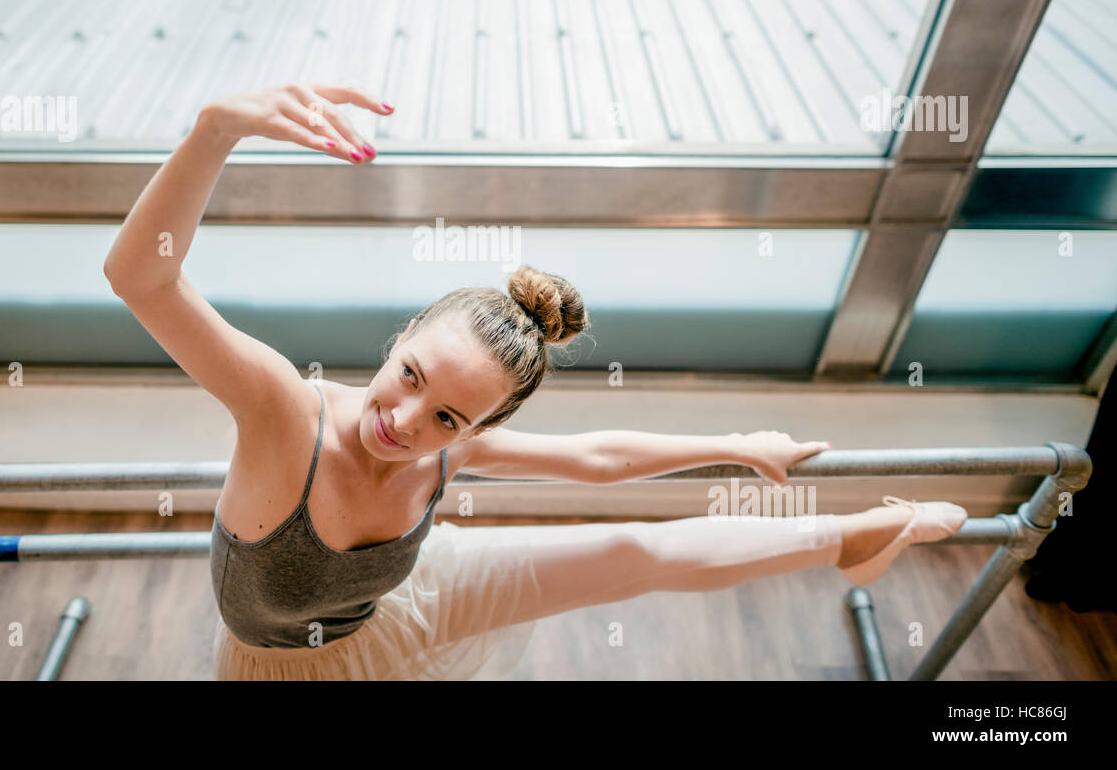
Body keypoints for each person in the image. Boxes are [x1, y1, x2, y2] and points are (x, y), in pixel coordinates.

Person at [103, 82, 968, 680]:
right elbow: (142, 277)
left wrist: (736, 446)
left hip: (407, 605)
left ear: (473, 424)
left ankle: (851, 537)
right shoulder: (282, 412)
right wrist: (216, 126)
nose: (402, 422)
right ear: (401, 335)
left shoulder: (447, 455)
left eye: (446, 416)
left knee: (633, 553)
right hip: (279, 669)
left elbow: (595, 456)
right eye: (408, 376)